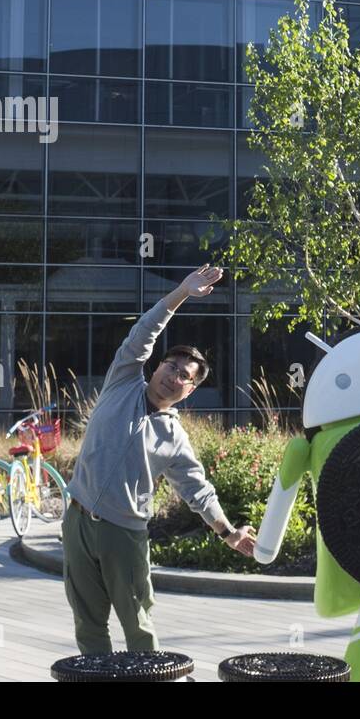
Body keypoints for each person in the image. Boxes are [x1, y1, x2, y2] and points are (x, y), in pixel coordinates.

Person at [63, 265, 257, 655]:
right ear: (157, 367)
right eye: (171, 366)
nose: (174, 375)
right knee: (88, 624)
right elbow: (144, 332)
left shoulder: (174, 437)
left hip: (123, 534)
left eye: (185, 376)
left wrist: (227, 532)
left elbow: (197, 489)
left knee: (137, 625)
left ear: (189, 390)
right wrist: (182, 293)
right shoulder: (123, 379)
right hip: (78, 521)